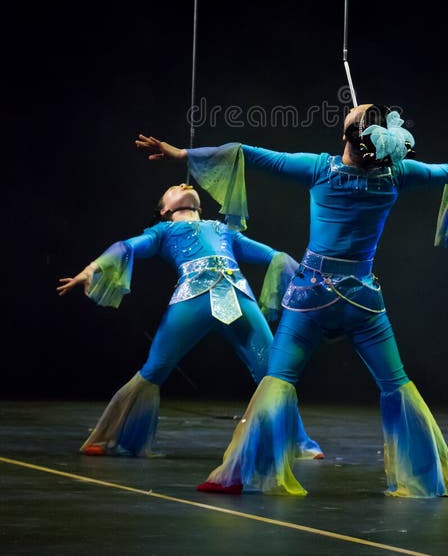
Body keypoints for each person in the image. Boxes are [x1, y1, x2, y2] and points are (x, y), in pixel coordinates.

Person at [135, 105, 448, 497]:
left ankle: (246, 473)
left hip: (310, 299)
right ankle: (429, 478)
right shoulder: (397, 174)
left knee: (278, 380)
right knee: (396, 383)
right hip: (362, 301)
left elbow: (247, 153)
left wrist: (181, 153)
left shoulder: (319, 170)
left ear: (346, 137)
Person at [57, 181, 323, 465]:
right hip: (190, 299)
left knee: (273, 369)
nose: (183, 184)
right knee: (155, 369)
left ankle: (295, 442)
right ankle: (113, 437)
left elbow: (274, 256)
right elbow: (125, 247)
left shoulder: (224, 230)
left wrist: (314, 281)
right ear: (164, 210)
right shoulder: (162, 231)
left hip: (236, 296)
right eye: (172, 187)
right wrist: (91, 269)